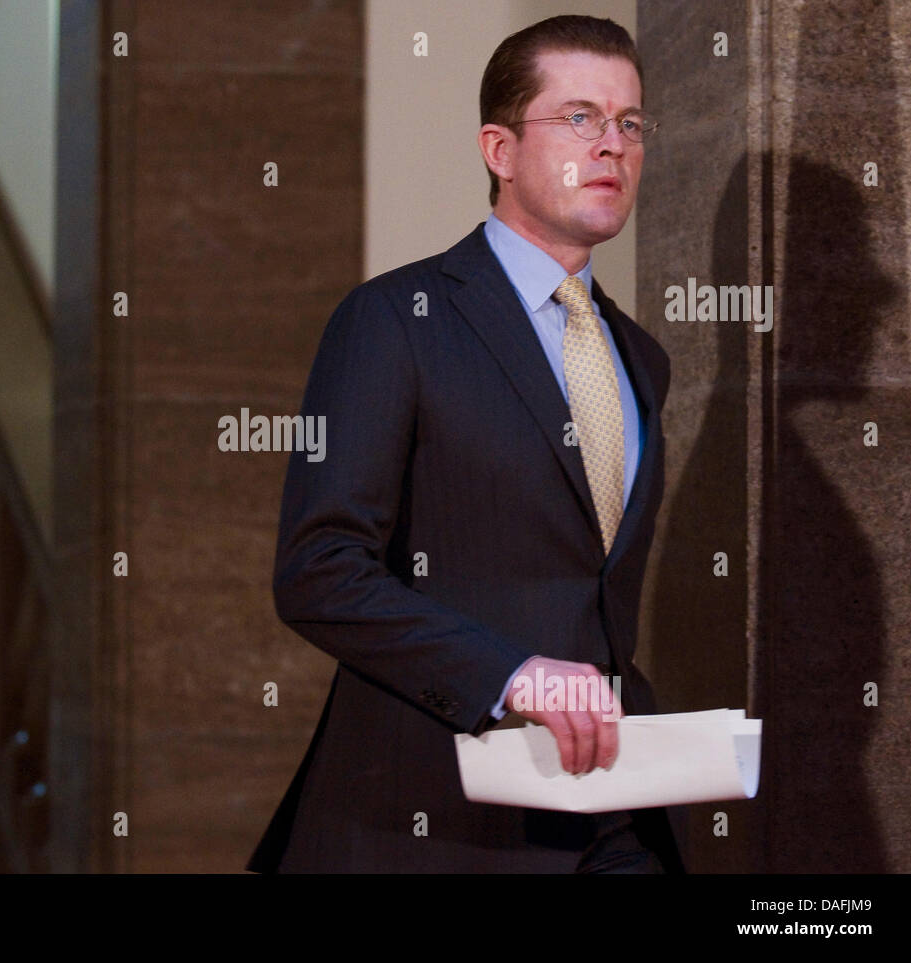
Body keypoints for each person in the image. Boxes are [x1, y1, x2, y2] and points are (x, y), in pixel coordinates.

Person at [247, 14, 685, 873]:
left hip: (607, 817)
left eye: (630, 124)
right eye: (580, 118)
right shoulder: (393, 321)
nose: (613, 146)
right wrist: (513, 673)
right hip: (432, 819)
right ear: (499, 148)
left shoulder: (642, 359)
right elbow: (318, 569)